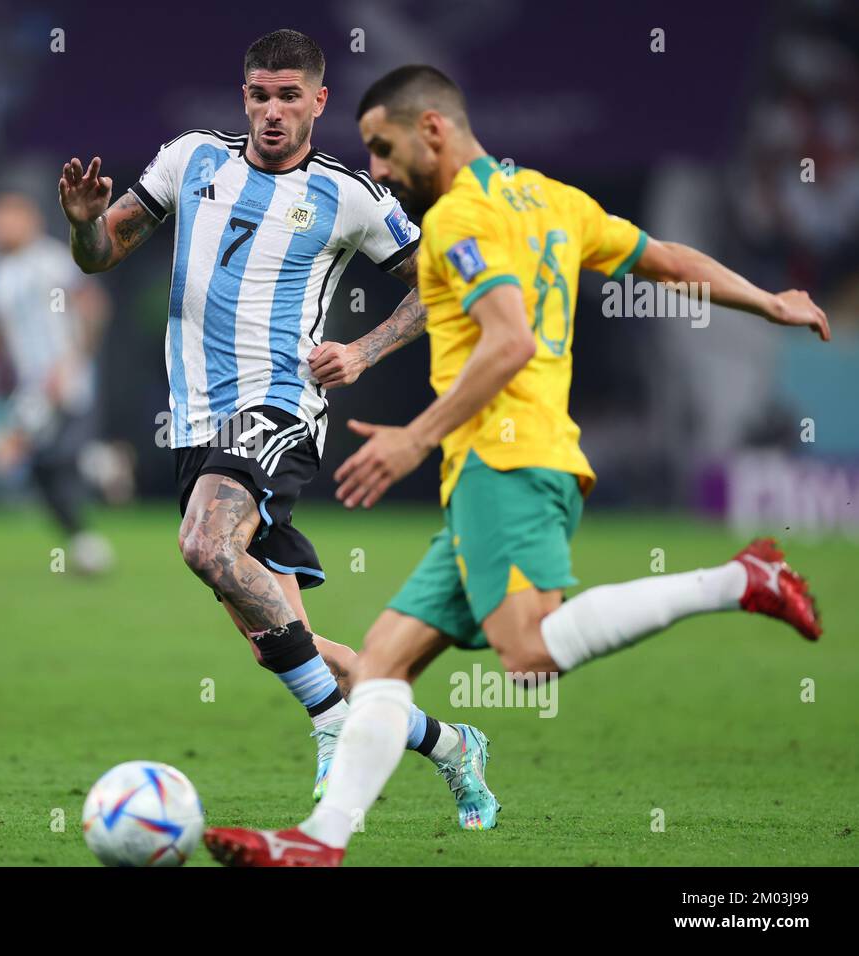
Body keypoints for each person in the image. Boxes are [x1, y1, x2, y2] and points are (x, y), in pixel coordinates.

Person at [203, 64, 829, 866]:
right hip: (508, 468)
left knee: (526, 654)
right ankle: (318, 844)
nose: (380, 172)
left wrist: (411, 439)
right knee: (385, 663)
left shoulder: (461, 219)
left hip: (508, 463)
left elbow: (509, 341)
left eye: (384, 150)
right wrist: (769, 302)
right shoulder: (550, 200)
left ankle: (741, 580)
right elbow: (666, 261)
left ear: (432, 129)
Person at [59, 30, 475, 802]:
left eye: (290, 96)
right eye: (260, 95)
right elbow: (99, 254)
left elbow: (439, 283)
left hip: (279, 405)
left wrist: (364, 351)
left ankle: (326, 724)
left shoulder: (347, 195)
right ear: (243, 95)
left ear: (319, 101)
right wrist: (84, 224)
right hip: (196, 424)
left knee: (205, 544)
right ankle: (449, 743)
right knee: (281, 642)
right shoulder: (191, 161)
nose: (273, 112)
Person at [0, 191, 114, 574]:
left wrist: (72, 363)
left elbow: (93, 307)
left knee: (44, 455)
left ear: (29, 220)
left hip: (63, 379)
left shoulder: (50, 259)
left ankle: (97, 466)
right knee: (38, 466)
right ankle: (89, 517)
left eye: (7, 218)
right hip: (30, 384)